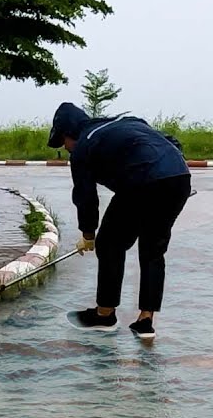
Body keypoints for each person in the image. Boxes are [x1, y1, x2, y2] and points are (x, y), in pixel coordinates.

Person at [47, 102, 191, 340]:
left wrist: (88, 235)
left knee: (109, 244)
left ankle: (105, 315)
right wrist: (171, 180)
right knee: (153, 250)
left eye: (64, 143)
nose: (66, 149)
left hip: (142, 183)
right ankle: (145, 322)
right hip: (179, 177)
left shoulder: (83, 146)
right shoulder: (128, 123)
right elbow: (170, 143)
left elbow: (85, 195)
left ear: (69, 133)